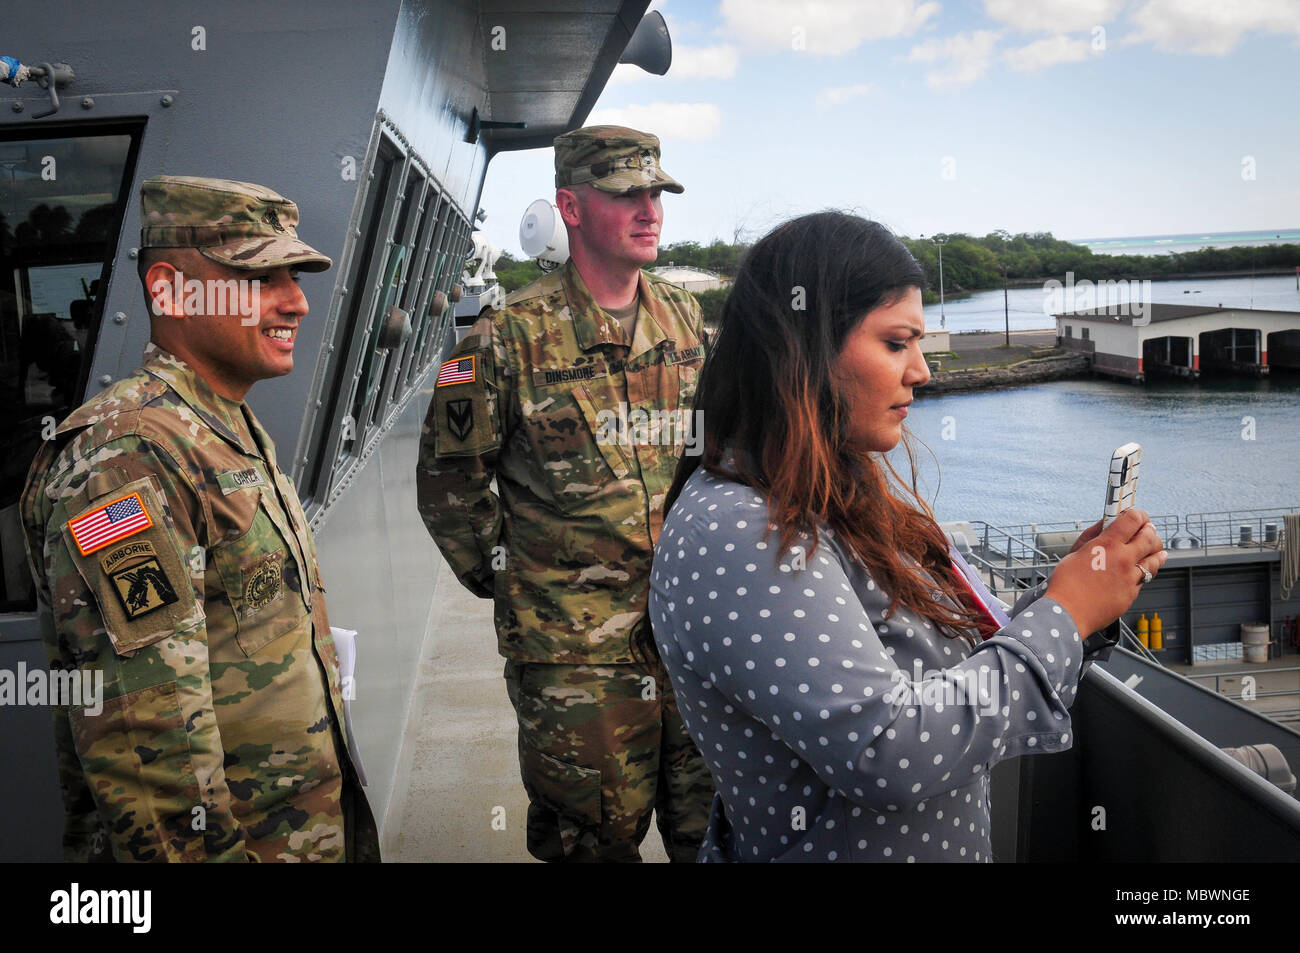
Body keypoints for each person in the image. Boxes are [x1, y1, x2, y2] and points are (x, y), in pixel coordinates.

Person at [648, 211, 1167, 862]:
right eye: (897, 343)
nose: (921, 370)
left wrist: (1078, 604)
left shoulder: (822, 498)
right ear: (803, 346)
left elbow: (945, 681)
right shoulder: (737, 530)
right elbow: (885, 747)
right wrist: (1066, 615)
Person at [21, 175, 379, 862]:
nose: (297, 301)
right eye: (260, 276)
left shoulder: (221, 426)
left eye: (294, 276)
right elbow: (151, 759)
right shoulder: (125, 457)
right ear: (169, 289)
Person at [416, 126, 714, 862]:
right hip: (574, 658)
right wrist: (518, 584)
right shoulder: (504, 339)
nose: (650, 210)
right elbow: (449, 487)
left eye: (657, 193)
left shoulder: (683, 317)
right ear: (572, 208)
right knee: (593, 840)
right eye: (626, 194)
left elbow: (711, 455)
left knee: (708, 830)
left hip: (686, 635)